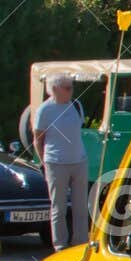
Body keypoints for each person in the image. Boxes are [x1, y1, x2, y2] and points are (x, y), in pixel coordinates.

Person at [33, 74, 89, 250]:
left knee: (81, 206)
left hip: (79, 160)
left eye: (71, 87)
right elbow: (38, 139)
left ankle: (81, 241)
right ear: (55, 89)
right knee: (59, 206)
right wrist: (44, 162)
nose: (71, 91)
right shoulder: (44, 110)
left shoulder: (76, 105)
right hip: (56, 162)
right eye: (67, 88)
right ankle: (60, 244)